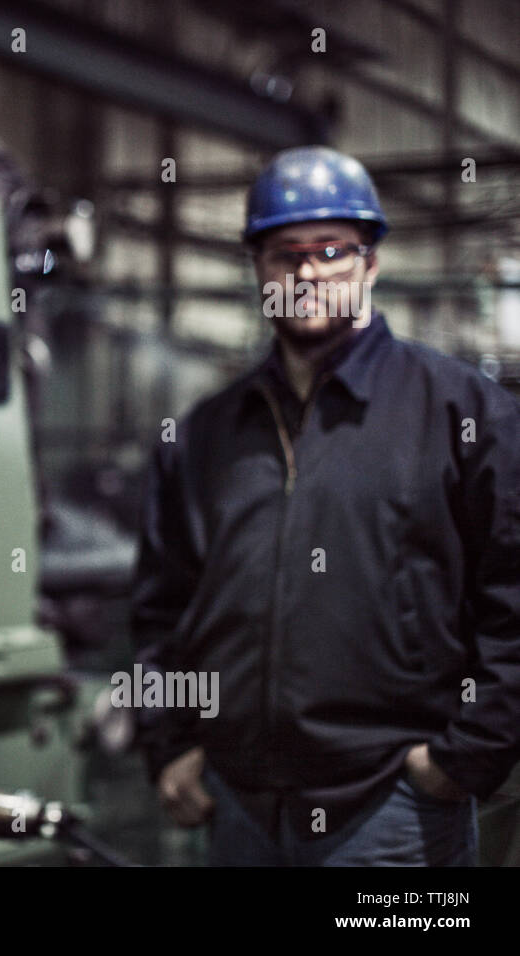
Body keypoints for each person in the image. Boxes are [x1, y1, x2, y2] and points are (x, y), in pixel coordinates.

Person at [130, 145, 520, 865]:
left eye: (332, 251)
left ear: (370, 263)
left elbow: (513, 601)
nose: (307, 273)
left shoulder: (464, 413)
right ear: (257, 269)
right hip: (238, 805)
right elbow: (163, 606)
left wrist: (466, 758)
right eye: (285, 253)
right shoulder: (206, 434)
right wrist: (169, 742)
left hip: (390, 811)